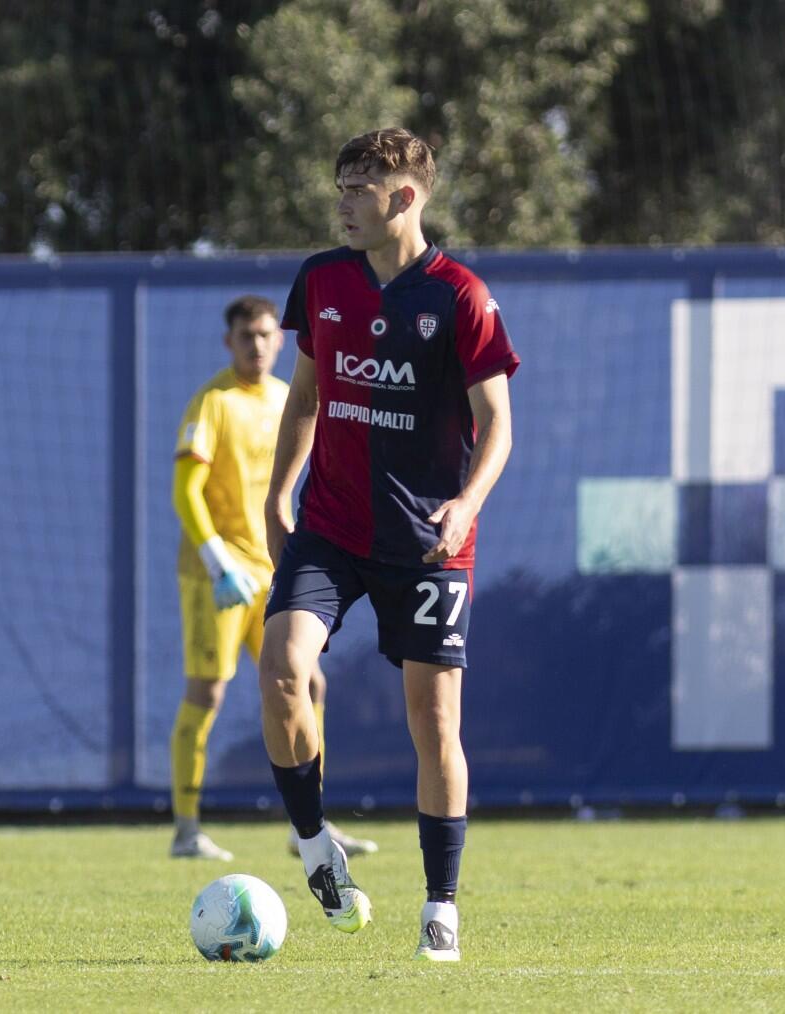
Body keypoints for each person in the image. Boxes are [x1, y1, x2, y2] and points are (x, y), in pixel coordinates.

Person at [259, 128, 518, 962]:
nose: (341, 204)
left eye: (357, 190)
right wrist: (276, 494)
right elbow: (305, 398)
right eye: (339, 187)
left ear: (403, 198)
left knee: (433, 724)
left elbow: (497, 425)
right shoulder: (321, 279)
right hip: (330, 526)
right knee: (281, 667)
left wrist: (466, 504)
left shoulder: (459, 296)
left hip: (426, 541)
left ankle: (440, 906)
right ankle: (315, 849)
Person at [169, 295, 378, 862]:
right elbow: (185, 491)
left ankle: (307, 824)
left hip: (274, 569)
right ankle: (186, 830)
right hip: (216, 576)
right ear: (229, 341)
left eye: (265, 334)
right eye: (246, 336)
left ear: (280, 340)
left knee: (309, 685)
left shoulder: (291, 398)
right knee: (208, 692)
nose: (256, 345)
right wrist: (218, 562)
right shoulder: (213, 402)